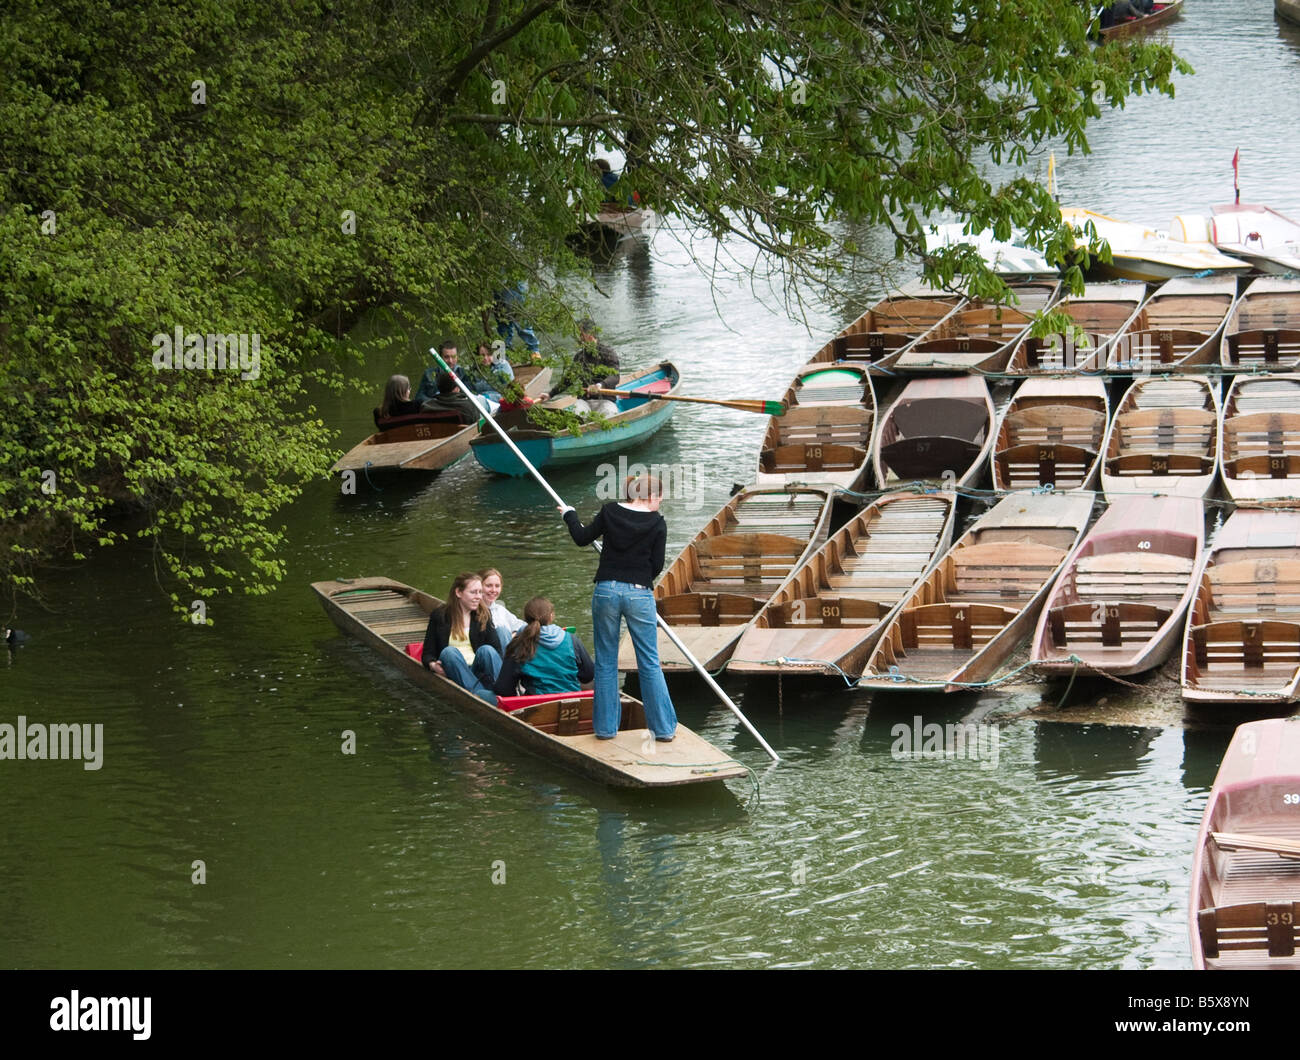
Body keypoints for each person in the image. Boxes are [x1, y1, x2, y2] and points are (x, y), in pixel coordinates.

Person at [560, 473, 676, 741]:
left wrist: (570, 514)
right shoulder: (658, 523)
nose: (660, 502)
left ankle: (605, 729)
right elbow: (656, 565)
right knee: (649, 662)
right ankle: (664, 730)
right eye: (659, 497)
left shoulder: (610, 511)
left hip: (606, 590)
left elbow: (581, 537)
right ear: (649, 496)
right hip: (638, 593)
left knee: (606, 661)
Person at [421, 573, 503, 704]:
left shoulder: (483, 615)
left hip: (477, 670)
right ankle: (483, 697)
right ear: (458, 592)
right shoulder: (440, 616)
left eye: (480, 592)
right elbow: (427, 654)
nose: (478, 597)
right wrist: (433, 666)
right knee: (449, 652)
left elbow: (496, 651)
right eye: (473, 592)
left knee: (487, 650)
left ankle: (503, 694)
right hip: (455, 668)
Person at [494, 597, 595, 697]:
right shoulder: (572, 639)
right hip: (573, 702)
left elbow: (504, 689)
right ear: (551, 616)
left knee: (483, 694)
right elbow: (588, 676)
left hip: (536, 705)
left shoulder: (519, 644)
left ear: (525, 619)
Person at [558, 317, 621, 396]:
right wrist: (550, 394)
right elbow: (568, 380)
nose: (579, 338)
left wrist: (600, 385)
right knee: (578, 408)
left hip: (606, 400)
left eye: (581, 335)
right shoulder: (579, 357)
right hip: (584, 401)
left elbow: (615, 377)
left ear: (590, 334)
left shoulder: (608, 353)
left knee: (608, 409)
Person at [479, 567, 526, 642]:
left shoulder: (500, 609)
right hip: (489, 651)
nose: (493, 590)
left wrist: (512, 636)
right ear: (479, 586)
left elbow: (522, 625)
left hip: (508, 648)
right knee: (501, 630)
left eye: (497, 586)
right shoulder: (472, 610)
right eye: (488, 586)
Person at [491, 283, 540, 353]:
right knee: (503, 326)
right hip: (499, 291)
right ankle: (508, 353)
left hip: (514, 289)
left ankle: (534, 351)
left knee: (523, 325)